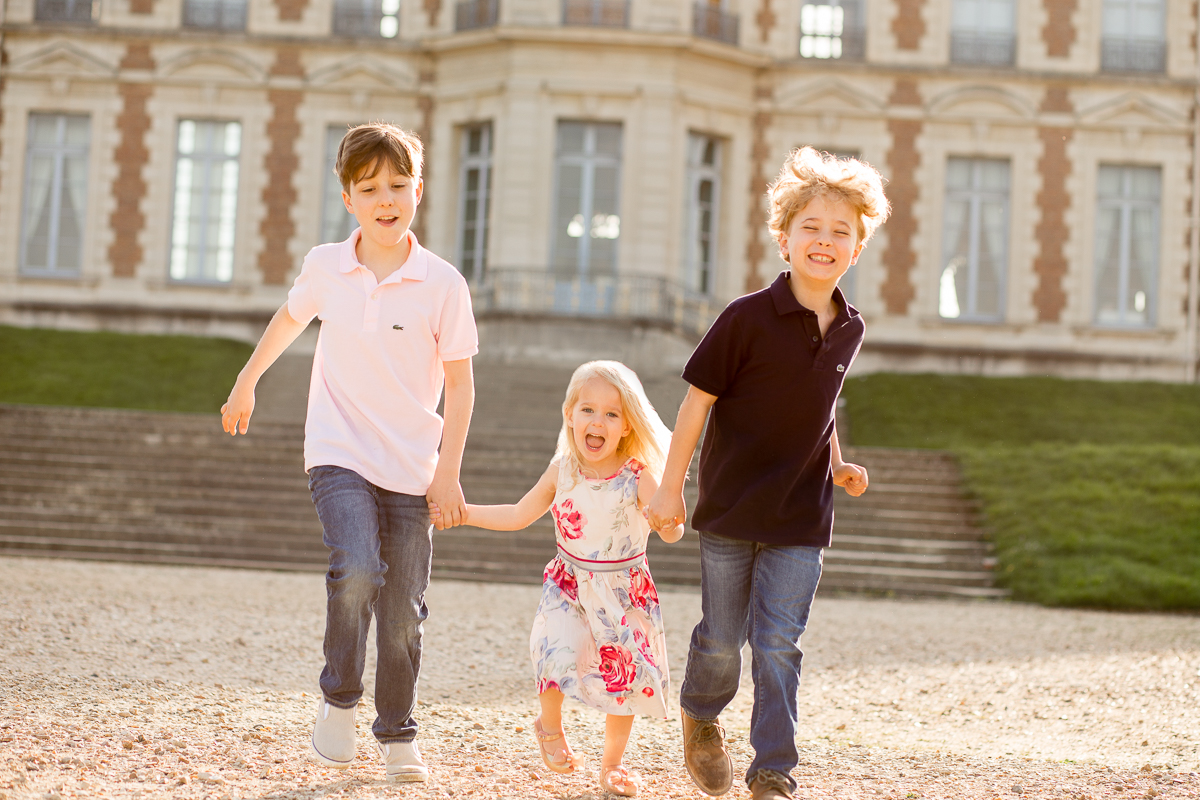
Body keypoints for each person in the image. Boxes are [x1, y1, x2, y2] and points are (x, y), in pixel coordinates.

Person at [220, 123, 478, 783]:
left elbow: (460, 384)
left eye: (397, 185)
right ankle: (339, 699)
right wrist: (247, 380)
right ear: (348, 198)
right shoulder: (326, 267)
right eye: (370, 189)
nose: (385, 198)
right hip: (338, 451)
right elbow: (288, 319)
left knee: (404, 617)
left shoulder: (442, 284)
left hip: (413, 468)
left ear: (417, 190)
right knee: (358, 567)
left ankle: (397, 736)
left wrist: (448, 473)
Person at [646, 146, 891, 800]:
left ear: (856, 250)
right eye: (812, 227)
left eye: (842, 232)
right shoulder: (744, 318)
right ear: (785, 240)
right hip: (730, 510)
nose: (825, 240)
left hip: (802, 518)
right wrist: (671, 487)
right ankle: (700, 714)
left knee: (779, 644)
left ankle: (773, 769)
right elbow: (697, 402)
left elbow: (820, 404)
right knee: (723, 641)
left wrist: (838, 465)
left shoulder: (850, 329)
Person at [430, 360, 683, 798]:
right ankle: (549, 726)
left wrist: (670, 524)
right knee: (554, 650)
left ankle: (612, 764)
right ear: (570, 415)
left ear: (626, 427)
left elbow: (669, 522)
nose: (597, 421)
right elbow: (518, 514)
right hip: (569, 584)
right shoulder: (562, 470)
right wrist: (466, 514)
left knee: (624, 682)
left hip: (624, 594)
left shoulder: (638, 475)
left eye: (611, 413)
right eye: (587, 410)